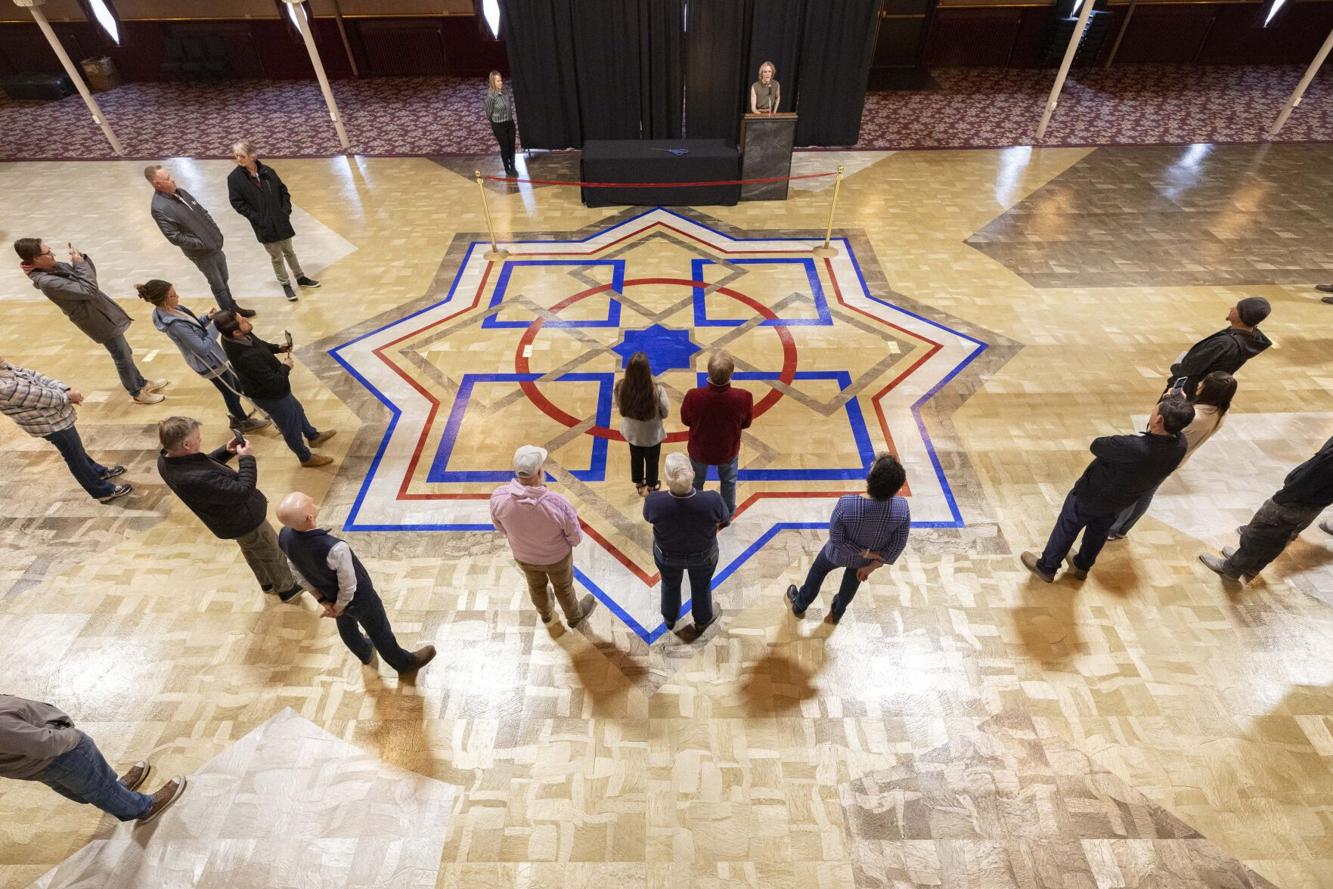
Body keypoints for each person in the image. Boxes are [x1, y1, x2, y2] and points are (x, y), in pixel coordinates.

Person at [1022, 397, 1196, 583]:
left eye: (1155, 411)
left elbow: (1097, 445)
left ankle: (1047, 567)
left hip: (1092, 494)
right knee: (1098, 532)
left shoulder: (1133, 447)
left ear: (1159, 420)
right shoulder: (1180, 444)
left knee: (1068, 526)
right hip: (1122, 500)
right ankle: (1082, 566)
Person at [276, 491, 436, 673]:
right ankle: (405, 664)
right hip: (359, 599)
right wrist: (339, 606)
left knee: (346, 626)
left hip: (328, 595)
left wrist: (323, 600)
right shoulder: (336, 548)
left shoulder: (284, 536)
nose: (312, 498)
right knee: (379, 630)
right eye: (308, 500)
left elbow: (297, 572)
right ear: (309, 517)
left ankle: (364, 652)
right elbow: (349, 585)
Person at [157, 416, 301, 601]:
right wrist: (247, 458)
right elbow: (242, 491)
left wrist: (226, 451)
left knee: (251, 549)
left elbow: (202, 464)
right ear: (186, 444)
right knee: (270, 551)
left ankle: (267, 583)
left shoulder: (166, 461)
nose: (201, 440)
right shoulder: (194, 478)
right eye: (197, 438)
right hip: (244, 520)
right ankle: (287, 588)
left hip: (228, 522)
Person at [14, 238, 167, 406]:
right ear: (36, 259)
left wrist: (82, 260)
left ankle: (141, 383)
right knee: (121, 355)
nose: (53, 253)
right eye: (48, 252)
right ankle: (137, 392)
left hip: (100, 312)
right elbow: (89, 290)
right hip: (95, 320)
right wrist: (79, 265)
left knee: (125, 351)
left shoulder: (55, 268)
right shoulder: (48, 282)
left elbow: (89, 279)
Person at [0, 693, 185, 824]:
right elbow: (42, 745)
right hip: (61, 756)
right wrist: (74, 737)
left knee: (92, 785)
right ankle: (144, 808)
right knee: (97, 789)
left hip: (35, 763)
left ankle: (117, 792)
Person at [1107, 371, 1237, 539]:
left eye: (1203, 383)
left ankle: (1113, 528)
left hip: (1161, 456)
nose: (1198, 385)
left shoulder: (1195, 416)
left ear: (1208, 390)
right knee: (1147, 492)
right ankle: (1122, 529)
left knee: (1135, 492)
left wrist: (1170, 402)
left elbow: (1162, 426)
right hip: (1177, 458)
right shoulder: (1221, 413)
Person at [785, 453, 910, 624]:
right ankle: (837, 612)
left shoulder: (847, 504)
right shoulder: (902, 509)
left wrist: (865, 553)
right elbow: (898, 545)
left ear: (871, 478)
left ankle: (800, 604)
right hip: (864, 564)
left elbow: (837, 539)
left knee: (819, 570)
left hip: (837, 554)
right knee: (852, 583)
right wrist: (873, 563)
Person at [137, 279, 268, 433]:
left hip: (215, 356)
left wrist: (207, 318)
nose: (177, 296)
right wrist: (216, 326)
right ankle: (241, 421)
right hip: (209, 362)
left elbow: (194, 326)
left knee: (236, 385)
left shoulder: (175, 309)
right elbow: (201, 348)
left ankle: (236, 415)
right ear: (165, 300)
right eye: (173, 295)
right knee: (231, 391)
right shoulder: (175, 325)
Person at [489, 445, 597, 627]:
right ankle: (574, 616)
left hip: (524, 557)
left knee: (536, 587)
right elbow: (575, 537)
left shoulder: (498, 498)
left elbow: (500, 527)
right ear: (539, 472)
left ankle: (546, 613)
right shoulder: (557, 504)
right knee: (563, 588)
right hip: (557, 559)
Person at [1199, 436, 1333, 582]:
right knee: (1279, 538)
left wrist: (1284, 497)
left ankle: (1232, 568)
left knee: (1258, 534)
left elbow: (1308, 481)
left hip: (1296, 501)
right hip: (1314, 504)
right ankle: (1251, 567)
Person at [0, 357, 131, 503]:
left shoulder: (4, 367)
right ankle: (102, 491)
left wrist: (65, 389)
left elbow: (36, 376)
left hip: (55, 416)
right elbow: (40, 397)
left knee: (76, 450)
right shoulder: (3, 387)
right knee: (74, 456)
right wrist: (67, 397)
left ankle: (97, 472)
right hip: (48, 422)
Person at [215, 311, 335, 468]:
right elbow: (274, 383)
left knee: (297, 410)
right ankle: (305, 457)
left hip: (276, 390)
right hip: (270, 395)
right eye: (241, 321)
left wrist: (278, 348)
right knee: (290, 426)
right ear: (236, 332)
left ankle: (313, 435)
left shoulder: (236, 335)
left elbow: (260, 344)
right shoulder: (247, 358)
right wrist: (286, 367)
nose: (245, 319)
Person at [146, 164, 255, 318]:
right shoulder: (159, 208)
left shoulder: (181, 193)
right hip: (202, 253)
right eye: (168, 178)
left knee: (224, 279)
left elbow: (203, 212)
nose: (173, 179)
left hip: (214, 244)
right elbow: (174, 236)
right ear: (157, 184)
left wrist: (215, 232)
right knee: (218, 284)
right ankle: (229, 316)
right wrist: (201, 243)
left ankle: (232, 306)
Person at [644, 453, 728, 633]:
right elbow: (724, 517)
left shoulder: (654, 501)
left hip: (667, 555)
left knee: (669, 583)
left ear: (667, 480)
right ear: (692, 474)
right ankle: (702, 619)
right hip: (703, 555)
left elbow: (647, 517)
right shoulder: (711, 500)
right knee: (701, 585)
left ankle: (670, 617)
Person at [227, 141, 320, 302]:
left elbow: (283, 191)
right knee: (276, 256)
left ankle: (300, 277)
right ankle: (285, 284)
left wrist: (285, 211)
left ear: (252, 156)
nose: (238, 159)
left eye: (242, 156)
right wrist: (256, 217)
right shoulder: (234, 178)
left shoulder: (268, 171)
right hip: (263, 225)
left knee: (290, 251)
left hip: (280, 220)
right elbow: (237, 203)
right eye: (236, 156)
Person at [681, 352, 753, 520]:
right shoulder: (744, 397)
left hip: (699, 450)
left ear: (708, 372)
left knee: (696, 481)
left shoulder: (693, 396)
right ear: (732, 373)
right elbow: (746, 423)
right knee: (728, 482)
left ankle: (695, 511)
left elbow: (686, 420)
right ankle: (726, 515)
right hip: (727, 450)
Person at [1166, 296, 1270, 398]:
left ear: (1243, 317)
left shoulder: (1223, 344)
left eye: (1237, 308)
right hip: (1206, 391)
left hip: (1185, 391)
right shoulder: (1252, 338)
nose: (1232, 308)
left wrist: (1176, 365)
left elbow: (1188, 368)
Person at [615, 351, 670, 497]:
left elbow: (620, 406)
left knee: (636, 457)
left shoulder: (621, 387)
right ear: (647, 371)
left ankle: (639, 483)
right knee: (652, 460)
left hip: (633, 433)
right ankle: (652, 484)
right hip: (652, 435)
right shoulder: (657, 390)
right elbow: (665, 411)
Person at [483, 71, 517, 177]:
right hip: (498, 125)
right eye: (498, 81)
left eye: (501, 80)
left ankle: (513, 166)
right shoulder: (490, 96)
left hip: (509, 122)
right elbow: (488, 113)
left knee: (512, 146)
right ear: (493, 82)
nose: (501, 82)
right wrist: (494, 121)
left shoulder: (505, 91)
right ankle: (507, 168)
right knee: (505, 147)